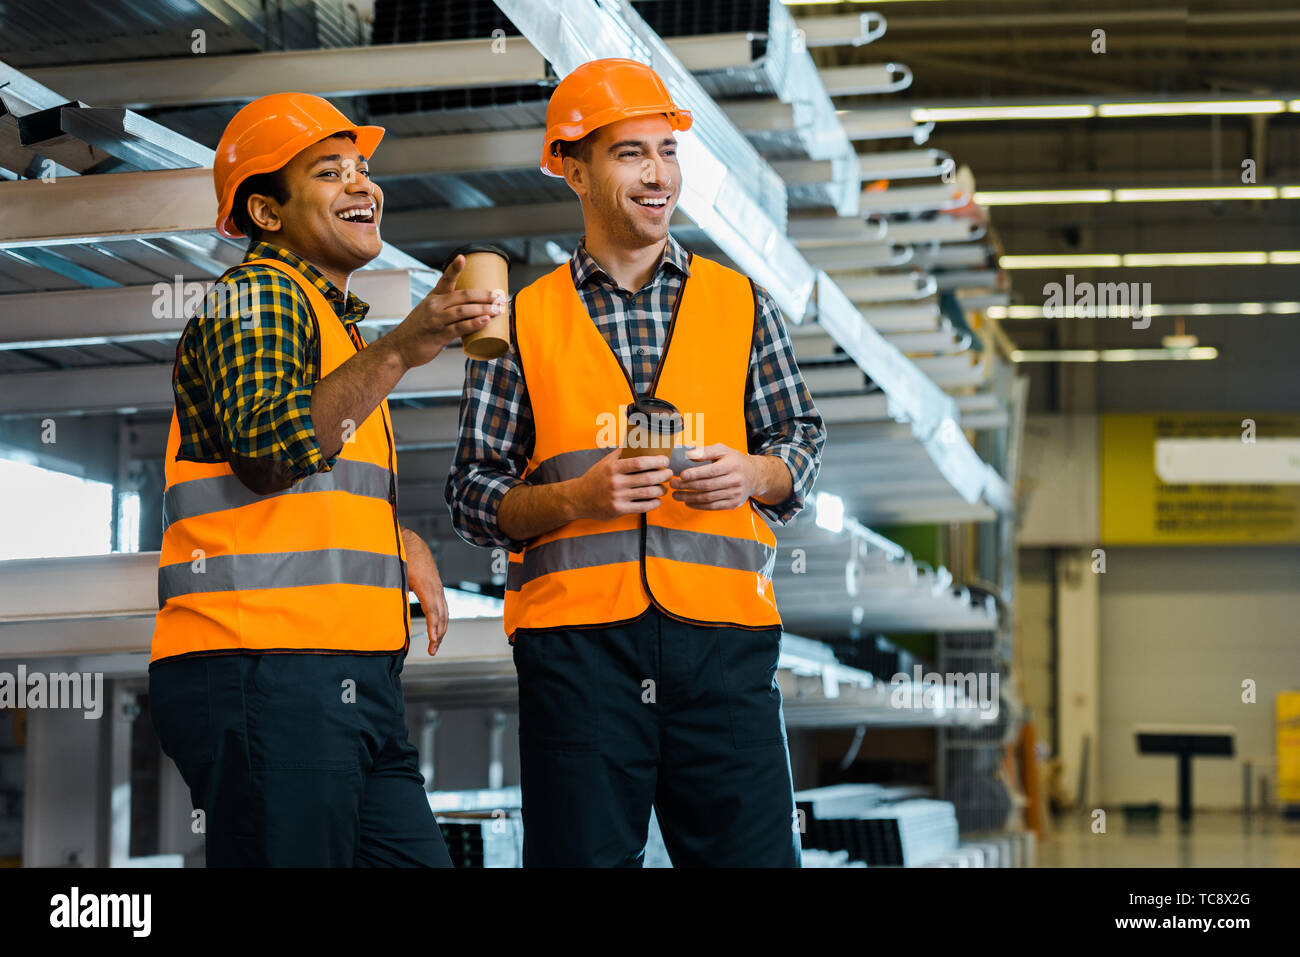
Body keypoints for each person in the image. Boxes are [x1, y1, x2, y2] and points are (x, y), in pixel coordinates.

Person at [446, 59, 826, 867]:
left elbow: (801, 440)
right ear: (573, 169)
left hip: (722, 645)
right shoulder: (522, 319)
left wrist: (756, 474)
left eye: (667, 150)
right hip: (579, 653)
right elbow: (474, 492)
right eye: (631, 154)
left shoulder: (740, 302)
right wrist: (576, 498)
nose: (659, 175)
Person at [149, 92, 503, 867]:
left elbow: (317, 482)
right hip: (266, 669)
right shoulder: (258, 295)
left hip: (337, 678)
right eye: (329, 171)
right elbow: (271, 448)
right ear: (267, 213)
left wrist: (393, 534)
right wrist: (405, 348)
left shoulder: (330, 321)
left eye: (365, 169)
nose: (362, 185)